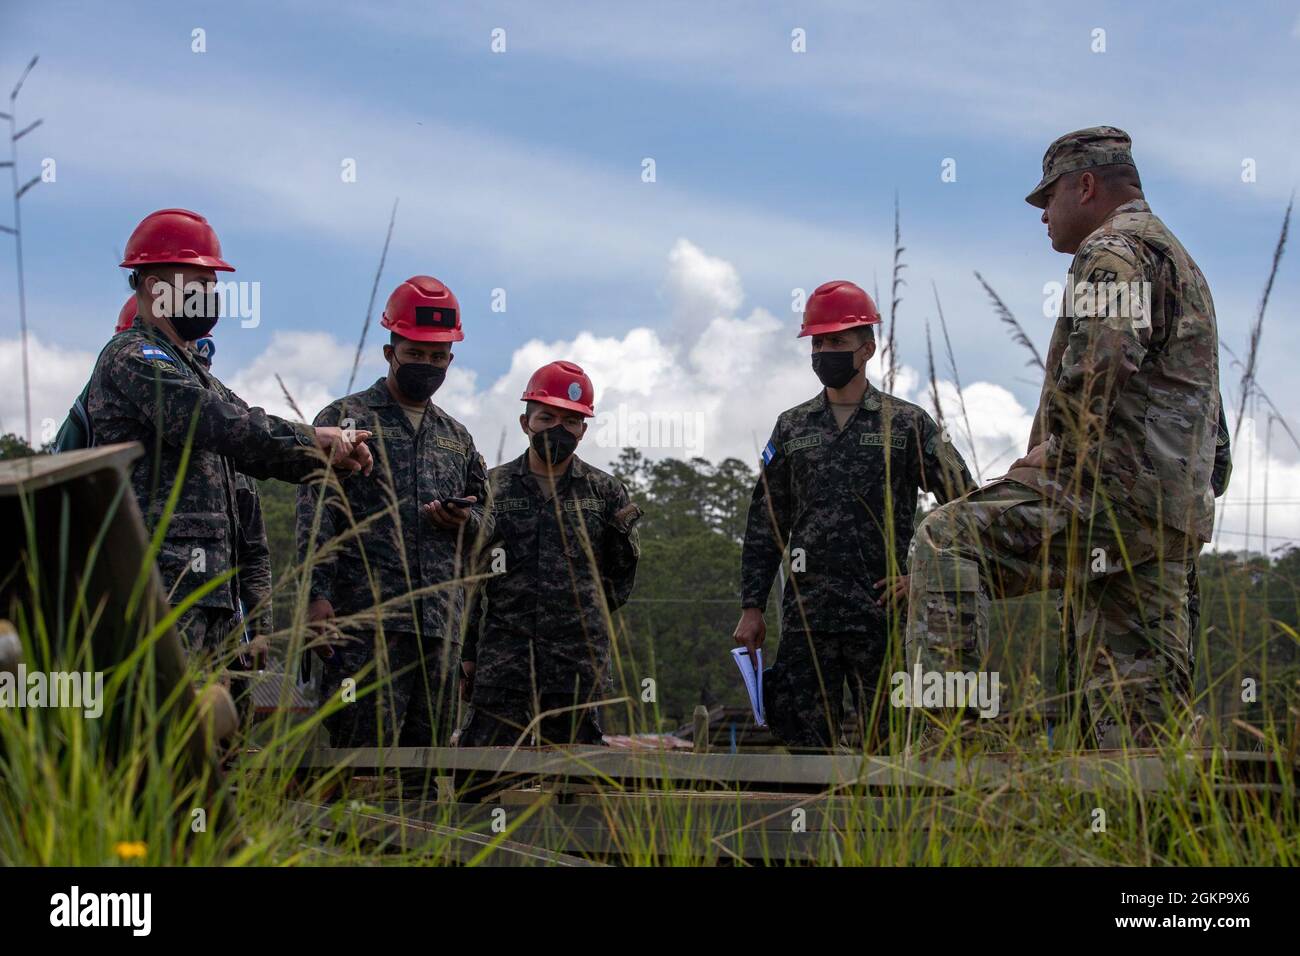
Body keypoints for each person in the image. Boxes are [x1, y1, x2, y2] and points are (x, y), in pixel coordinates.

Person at [905, 128, 1220, 749]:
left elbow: (1104, 356)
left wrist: (1059, 449)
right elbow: (1209, 407)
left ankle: (951, 736)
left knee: (943, 539)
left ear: (1086, 185)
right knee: (1135, 717)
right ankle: (1152, 821)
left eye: (1048, 197)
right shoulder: (1183, 264)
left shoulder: (1112, 251)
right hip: (1168, 514)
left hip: (1111, 494)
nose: (1043, 213)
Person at [87, 207, 373, 662]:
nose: (208, 294)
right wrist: (310, 438)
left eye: (212, 284)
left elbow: (255, 446)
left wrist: (332, 458)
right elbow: (213, 420)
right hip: (157, 587)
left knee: (212, 729)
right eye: (196, 282)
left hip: (215, 598)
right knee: (164, 724)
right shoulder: (132, 356)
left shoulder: (198, 374)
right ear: (152, 285)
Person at [733, 281, 974, 751]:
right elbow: (765, 523)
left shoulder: (905, 424)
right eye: (818, 343)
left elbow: (964, 502)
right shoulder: (792, 426)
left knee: (891, 745)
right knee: (806, 745)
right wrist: (752, 606)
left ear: (867, 349)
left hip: (884, 614)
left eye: (836, 342)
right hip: (808, 615)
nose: (824, 352)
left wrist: (923, 577)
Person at [297, 275, 491, 758]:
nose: (427, 364)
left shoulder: (457, 438)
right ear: (390, 352)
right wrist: (315, 598)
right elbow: (317, 515)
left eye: (438, 356)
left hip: (438, 630)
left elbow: (490, 523)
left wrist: (465, 521)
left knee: (426, 771)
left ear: (451, 358)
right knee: (357, 761)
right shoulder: (346, 419)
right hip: (363, 625)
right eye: (416, 352)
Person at [458, 360, 641, 761]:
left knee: (575, 783)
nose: (558, 429)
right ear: (526, 422)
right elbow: (468, 581)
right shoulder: (492, 488)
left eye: (571, 421)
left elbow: (619, 576)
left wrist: (575, 615)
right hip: (503, 663)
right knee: (483, 775)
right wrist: (467, 653)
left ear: (583, 430)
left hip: (575, 667)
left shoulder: (606, 492)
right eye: (547, 417)